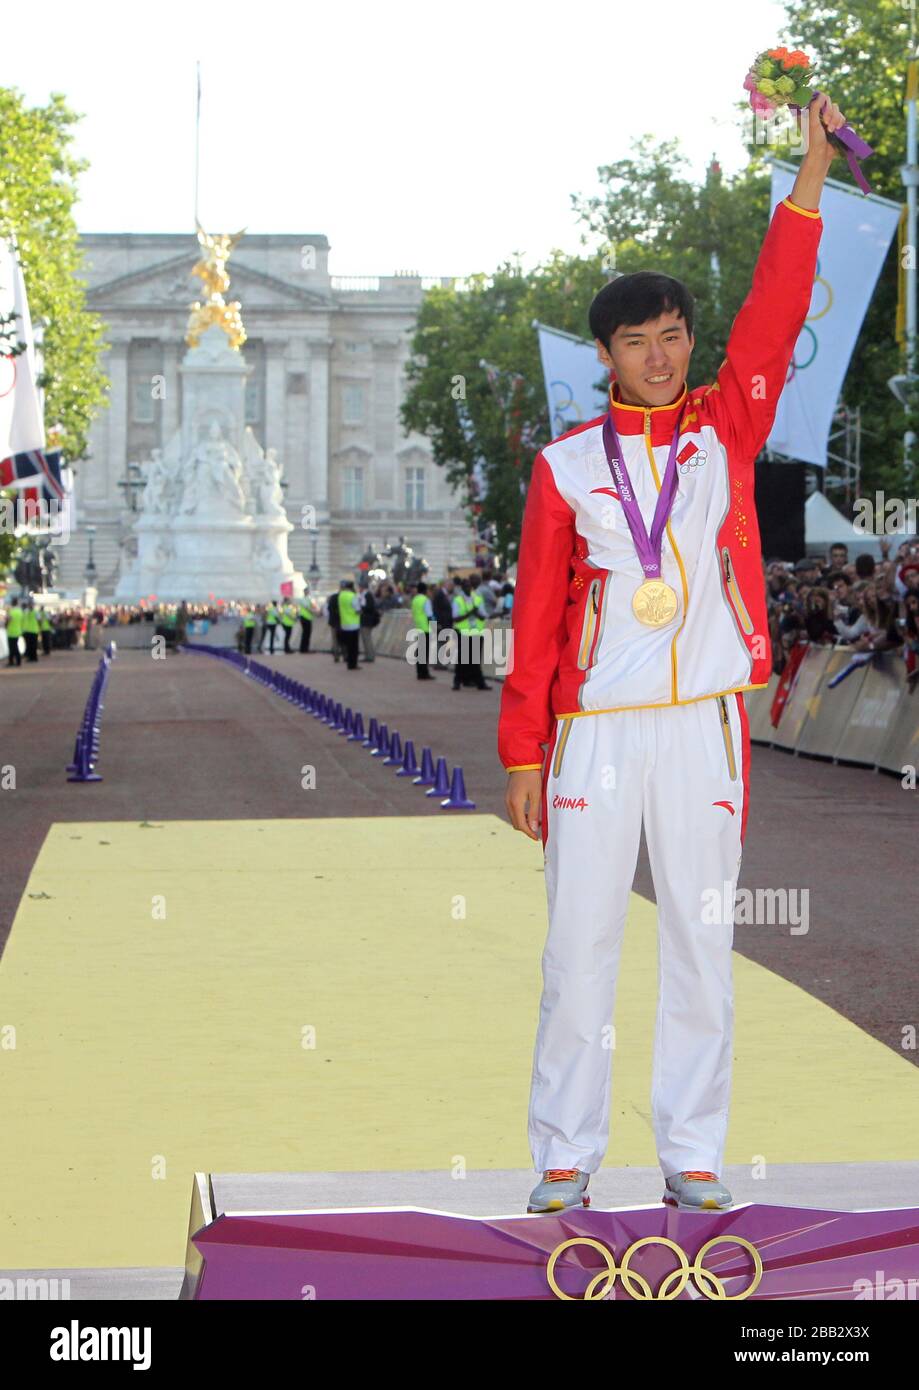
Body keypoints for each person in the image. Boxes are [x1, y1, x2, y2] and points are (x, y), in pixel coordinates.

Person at [499, 93, 846, 1218]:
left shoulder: (724, 425)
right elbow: (539, 614)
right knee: (578, 950)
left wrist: (807, 174)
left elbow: (776, 304)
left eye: (673, 335)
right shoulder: (562, 468)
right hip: (592, 735)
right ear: (603, 356)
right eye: (636, 341)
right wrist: (520, 751)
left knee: (702, 940)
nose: (659, 354)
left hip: (703, 722)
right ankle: (565, 1150)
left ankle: (691, 1146)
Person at [452, 575, 490, 690]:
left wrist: (476, 613)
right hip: (463, 634)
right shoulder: (457, 600)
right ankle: (457, 682)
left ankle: (479, 683)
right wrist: (469, 613)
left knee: (475, 661)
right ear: (462, 588)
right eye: (466, 586)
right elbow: (455, 618)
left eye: (470, 586)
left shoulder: (477, 599)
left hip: (476, 634)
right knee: (462, 660)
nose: (468, 588)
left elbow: (483, 617)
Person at [411, 582, 435, 680]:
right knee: (425, 653)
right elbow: (429, 615)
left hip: (418, 627)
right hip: (425, 628)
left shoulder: (415, 599)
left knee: (420, 652)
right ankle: (424, 673)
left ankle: (419, 672)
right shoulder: (426, 600)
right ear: (425, 590)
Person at [337, 580, 361, 670]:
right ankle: (353, 664)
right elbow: (357, 609)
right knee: (354, 647)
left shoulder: (341, 596)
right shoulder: (352, 596)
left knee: (348, 646)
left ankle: (348, 663)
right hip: (353, 624)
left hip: (344, 624)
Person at [359, 585, 379, 663]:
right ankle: (368, 655)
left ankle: (370, 656)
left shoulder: (367, 595)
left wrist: (362, 608)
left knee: (367, 638)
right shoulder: (365, 595)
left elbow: (369, 607)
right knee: (365, 638)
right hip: (366, 620)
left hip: (366, 621)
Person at [5, 597, 24, 667]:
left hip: (11, 632)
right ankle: (14, 661)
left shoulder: (11, 611)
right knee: (15, 646)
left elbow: (8, 620)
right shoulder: (20, 611)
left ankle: (14, 661)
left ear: (12, 603)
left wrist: (6, 625)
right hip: (18, 631)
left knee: (12, 647)